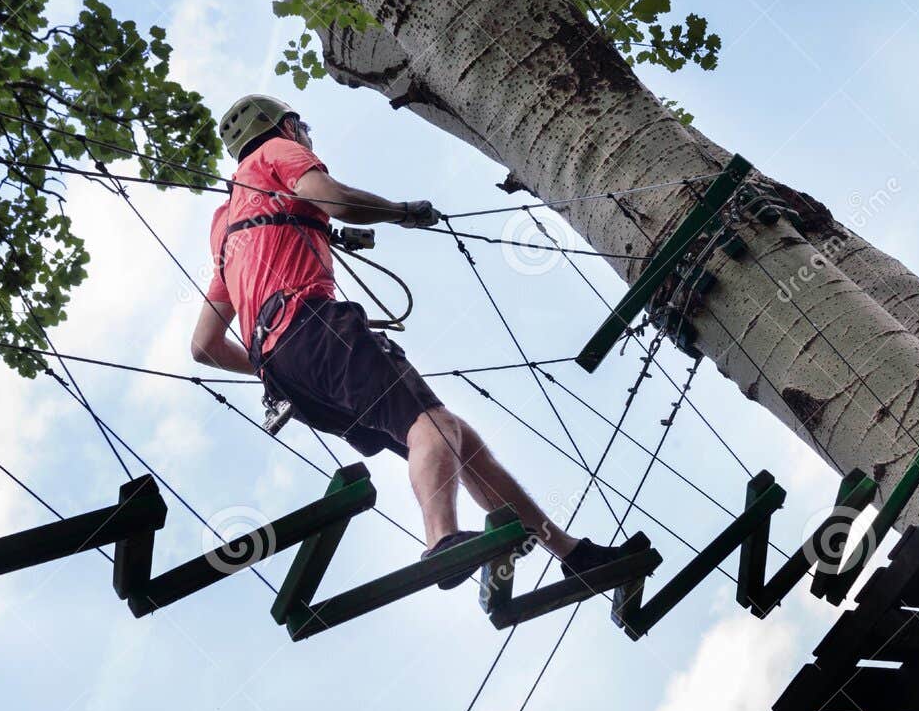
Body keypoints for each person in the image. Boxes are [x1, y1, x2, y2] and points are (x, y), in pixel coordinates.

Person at [190, 94, 643, 588]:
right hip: (313, 326)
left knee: (457, 441)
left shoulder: (226, 222)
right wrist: (400, 212)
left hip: (288, 378)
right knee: (432, 424)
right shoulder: (276, 153)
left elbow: (206, 345)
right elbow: (337, 200)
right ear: (287, 126)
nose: (308, 138)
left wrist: (267, 367)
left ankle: (572, 553)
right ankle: (441, 541)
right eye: (303, 127)